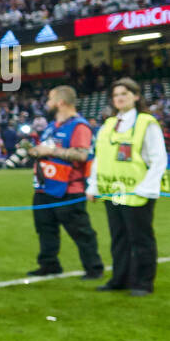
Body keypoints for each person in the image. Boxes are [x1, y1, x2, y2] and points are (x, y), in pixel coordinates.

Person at [88, 78, 166, 296]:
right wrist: (93, 185)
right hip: (113, 192)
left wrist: (145, 187)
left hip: (138, 192)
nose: (120, 98)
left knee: (140, 239)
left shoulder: (146, 123)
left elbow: (158, 159)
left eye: (124, 93)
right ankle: (119, 279)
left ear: (136, 96)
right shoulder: (109, 124)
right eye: (116, 95)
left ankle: (143, 282)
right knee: (118, 237)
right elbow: (100, 157)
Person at [26, 85, 103, 279]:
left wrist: (49, 151)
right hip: (45, 187)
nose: (47, 103)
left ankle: (94, 268)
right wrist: (34, 150)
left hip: (69, 188)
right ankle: (49, 264)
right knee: (45, 229)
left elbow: (82, 154)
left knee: (81, 232)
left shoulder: (79, 126)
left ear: (61, 102)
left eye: (50, 99)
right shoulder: (52, 126)